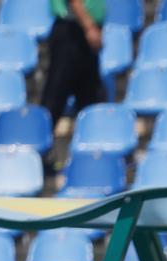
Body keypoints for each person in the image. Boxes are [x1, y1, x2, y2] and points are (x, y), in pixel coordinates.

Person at [40, 0, 106, 170]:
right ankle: (41, 156)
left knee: (89, 100)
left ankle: (89, 162)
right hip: (72, 31)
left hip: (82, 32)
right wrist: (89, 27)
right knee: (55, 98)